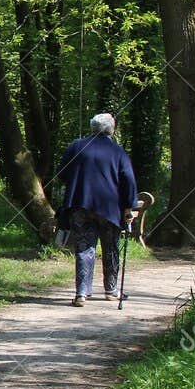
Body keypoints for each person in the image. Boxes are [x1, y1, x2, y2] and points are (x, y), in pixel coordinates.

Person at [54, 113, 139, 306]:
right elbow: (128, 179)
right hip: (110, 208)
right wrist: (129, 207)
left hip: (80, 205)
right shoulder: (118, 151)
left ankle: (81, 294)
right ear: (112, 130)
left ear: (93, 128)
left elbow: (62, 174)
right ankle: (111, 290)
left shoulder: (76, 147)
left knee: (84, 248)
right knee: (110, 247)